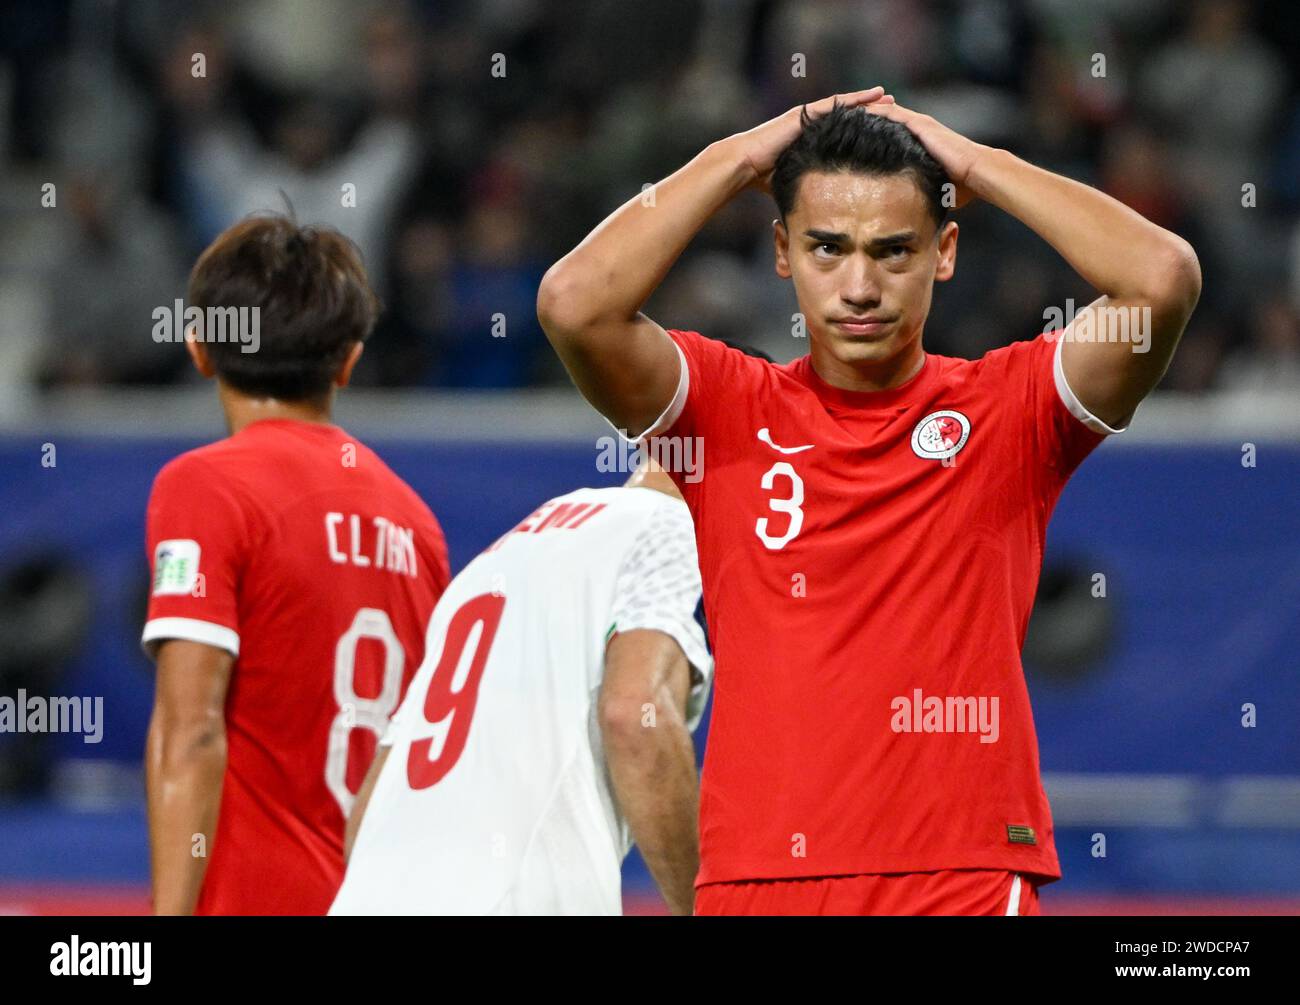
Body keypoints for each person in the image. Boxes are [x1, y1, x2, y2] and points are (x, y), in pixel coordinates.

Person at [536, 88, 1201, 915]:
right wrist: (735, 158)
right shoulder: (720, 410)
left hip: (955, 878)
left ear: (944, 251)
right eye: (827, 247)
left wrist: (978, 166)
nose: (859, 286)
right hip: (754, 880)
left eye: (893, 251)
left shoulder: (1011, 409)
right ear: (781, 250)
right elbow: (573, 303)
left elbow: (1162, 279)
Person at [143, 215, 450, 914]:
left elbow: (191, 730)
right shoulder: (417, 524)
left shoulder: (205, 486)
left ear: (198, 348)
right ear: (348, 360)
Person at [331, 455, 712, 915]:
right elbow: (634, 714)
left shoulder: (500, 554)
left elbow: (370, 809)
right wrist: (706, 902)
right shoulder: (676, 532)